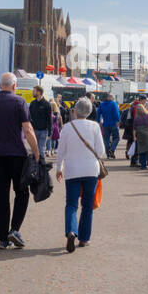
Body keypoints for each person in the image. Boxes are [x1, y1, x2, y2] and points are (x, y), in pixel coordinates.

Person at [0, 72, 41, 250]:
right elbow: (28, 129)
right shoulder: (19, 102)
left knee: (0, 196)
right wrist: (36, 152)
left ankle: (2, 238)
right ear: (14, 85)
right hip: (17, 154)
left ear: (0, 85)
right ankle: (14, 229)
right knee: (22, 192)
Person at [55, 97, 105, 253]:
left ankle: (71, 231)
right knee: (87, 205)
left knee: (71, 204)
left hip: (72, 170)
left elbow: (60, 151)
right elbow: (101, 150)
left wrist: (59, 168)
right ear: (89, 112)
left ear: (75, 110)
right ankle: (84, 238)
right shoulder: (95, 126)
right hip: (91, 170)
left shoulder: (67, 128)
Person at [132, 97, 148, 170]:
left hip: (140, 135)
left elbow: (134, 129)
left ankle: (143, 166)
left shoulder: (136, 118)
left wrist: (134, 137)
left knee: (142, 151)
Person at [29, 85, 53, 161]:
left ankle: (41, 168)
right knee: (34, 149)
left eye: (34, 91)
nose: (32, 92)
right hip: (34, 130)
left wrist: (50, 132)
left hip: (44, 131)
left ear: (39, 92)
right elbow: (29, 117)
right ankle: (34, 168)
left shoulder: (46, 104)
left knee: (41, 149)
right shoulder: (32, 104)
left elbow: (49, 119)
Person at [96, 93, 121, 158]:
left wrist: (98, 121)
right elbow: (116, 113)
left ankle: (108, 154)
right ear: (110, 97)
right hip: (113, 124)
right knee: (116, 138)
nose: (113, 98)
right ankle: (112, 150)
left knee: (106, 139)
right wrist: (118, 121)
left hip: (105, 124)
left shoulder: (102, 104)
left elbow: (98, 113)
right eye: (113, 97)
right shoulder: (113, 103)